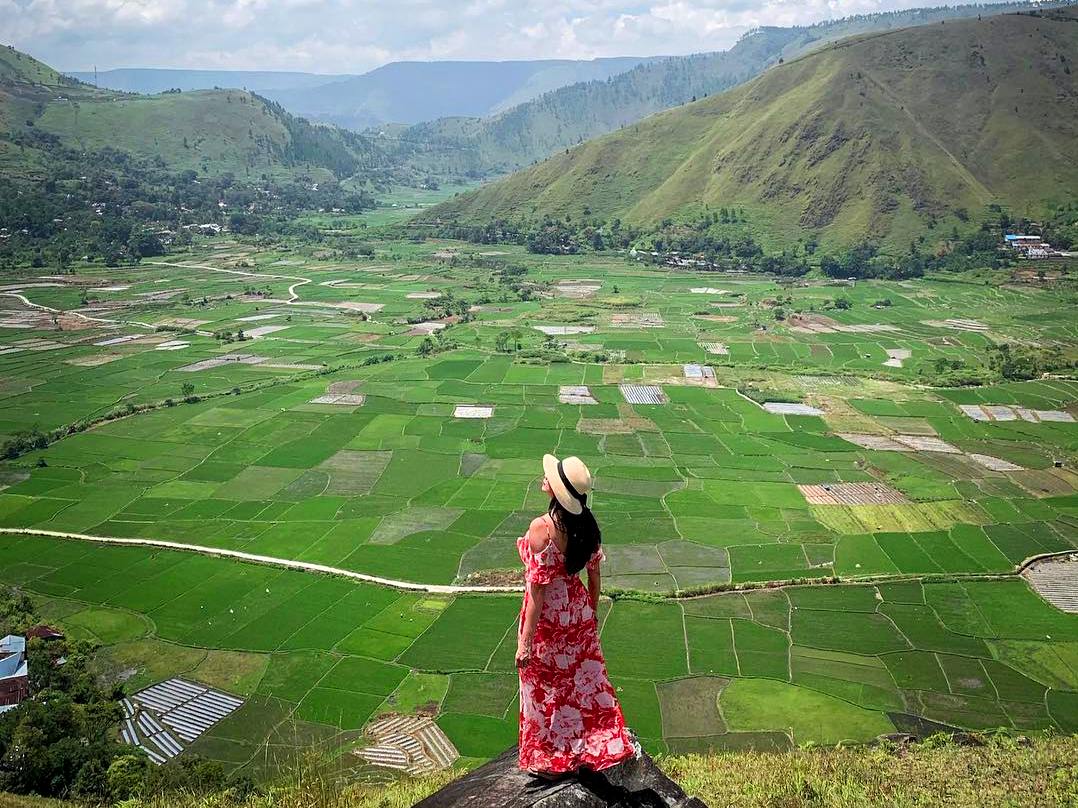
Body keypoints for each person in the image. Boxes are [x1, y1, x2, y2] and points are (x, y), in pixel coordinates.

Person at [515, 453, 638, 778]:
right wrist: (590, 616)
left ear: (559, 491)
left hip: (549, 618)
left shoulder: (541, 528)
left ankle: (550, 760)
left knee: (543, 686)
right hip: (578, 610)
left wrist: (525, 644)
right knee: (582, 683)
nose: (545, 477)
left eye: (551, 477)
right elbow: (594, 579)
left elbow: (537, 593)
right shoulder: (587, 527)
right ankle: (591, 747)